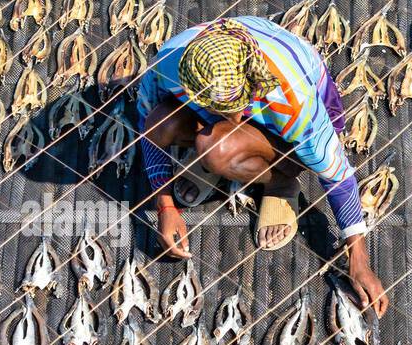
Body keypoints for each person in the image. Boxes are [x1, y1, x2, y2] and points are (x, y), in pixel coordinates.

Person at [136, 16, 388, 316]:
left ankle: (279, 183)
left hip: (282, 116)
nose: (235, 117)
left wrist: (358, 258)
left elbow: (339, 178)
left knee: (214, 148)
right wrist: (166, 207)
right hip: (226, 85)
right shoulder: (168, 62)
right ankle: (222, 156)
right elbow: (146, 127)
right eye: (219, 110)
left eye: (234, 107)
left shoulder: (294, 103)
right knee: (161, 123)